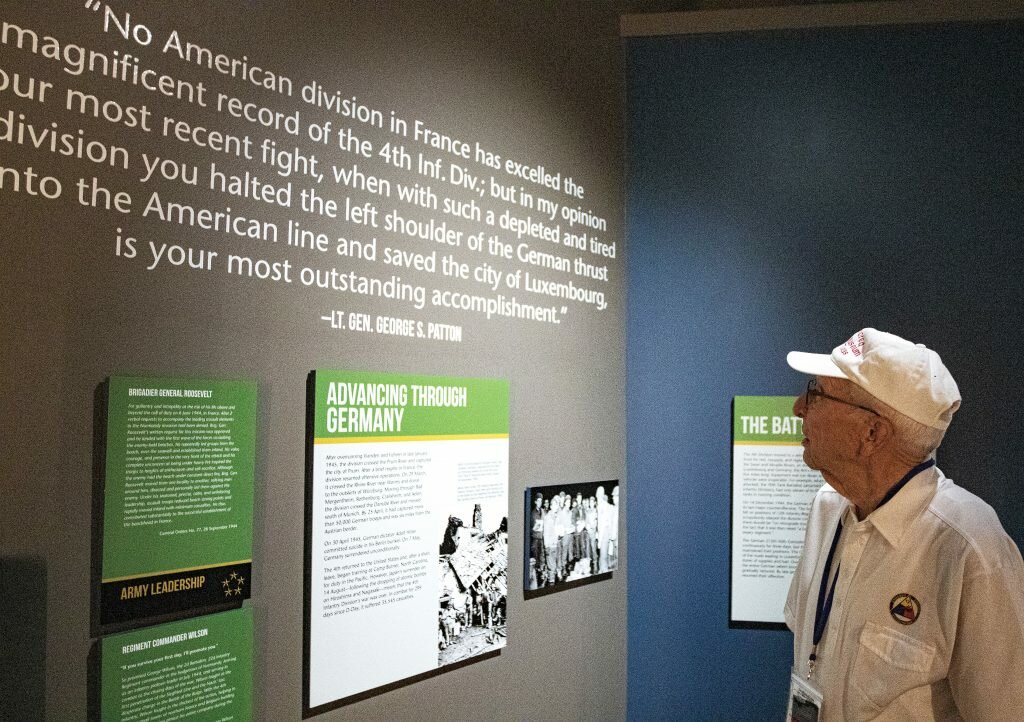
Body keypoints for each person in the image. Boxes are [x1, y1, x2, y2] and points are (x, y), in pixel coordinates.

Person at [784, 328, 1024, 721]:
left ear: (872, 433)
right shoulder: (827, 509)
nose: (798, 407)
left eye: (815, 394)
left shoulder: (970, 549)